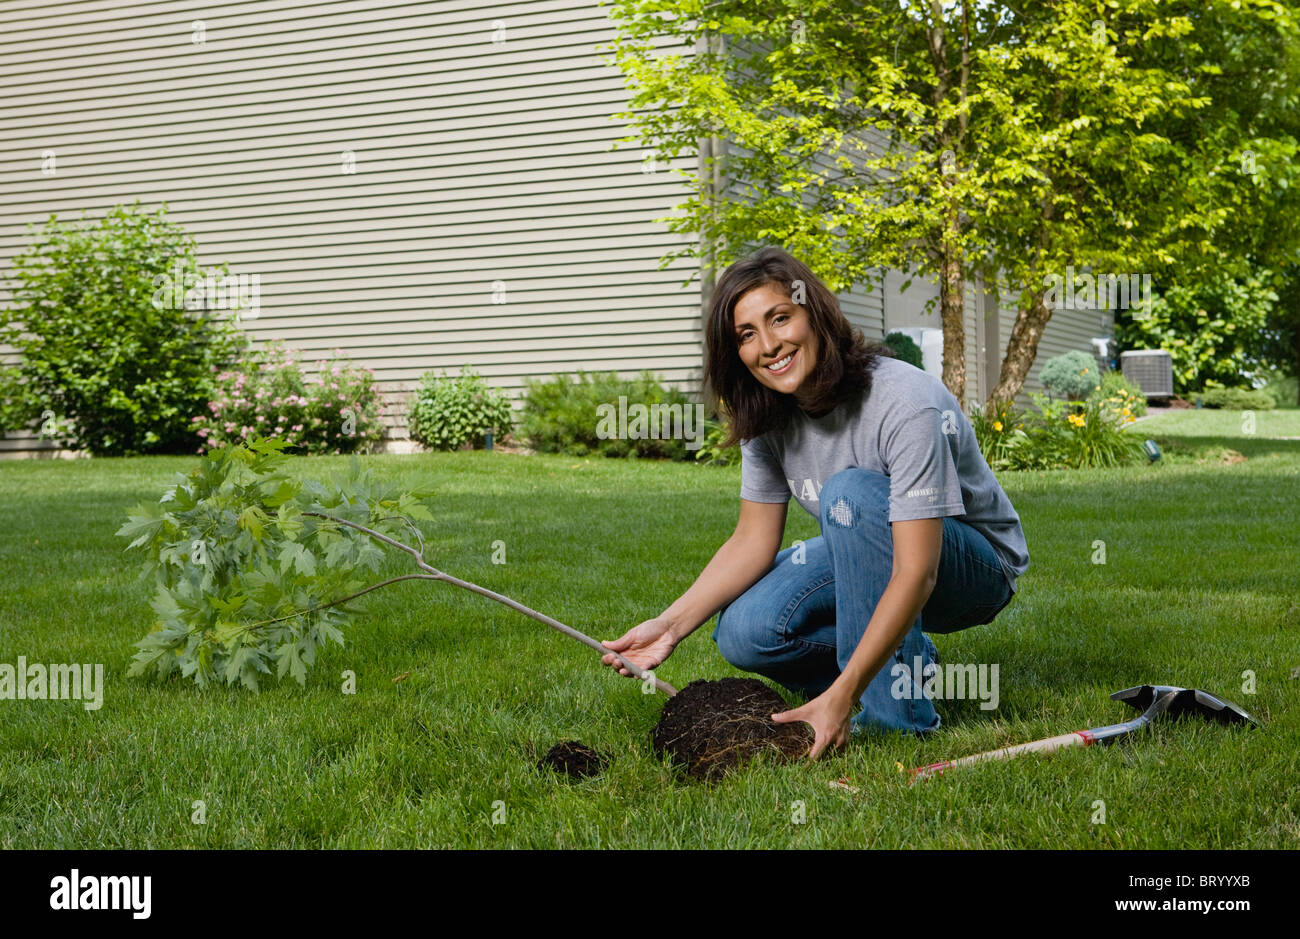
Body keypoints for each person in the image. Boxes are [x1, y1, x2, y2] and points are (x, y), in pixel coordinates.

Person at [601, 246, 1029, 760]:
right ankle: (892, 664)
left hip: (971, 566)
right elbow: (752, 540)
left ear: (815, 315)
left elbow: (919, 572)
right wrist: (668, 627)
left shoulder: (906, 401)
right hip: (872, 541)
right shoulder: (767, 417)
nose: (769, 345)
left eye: (780, 318)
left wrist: (845, 695)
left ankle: (896, 720)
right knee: (745, 632)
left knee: (851, 494)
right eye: (746, 334)